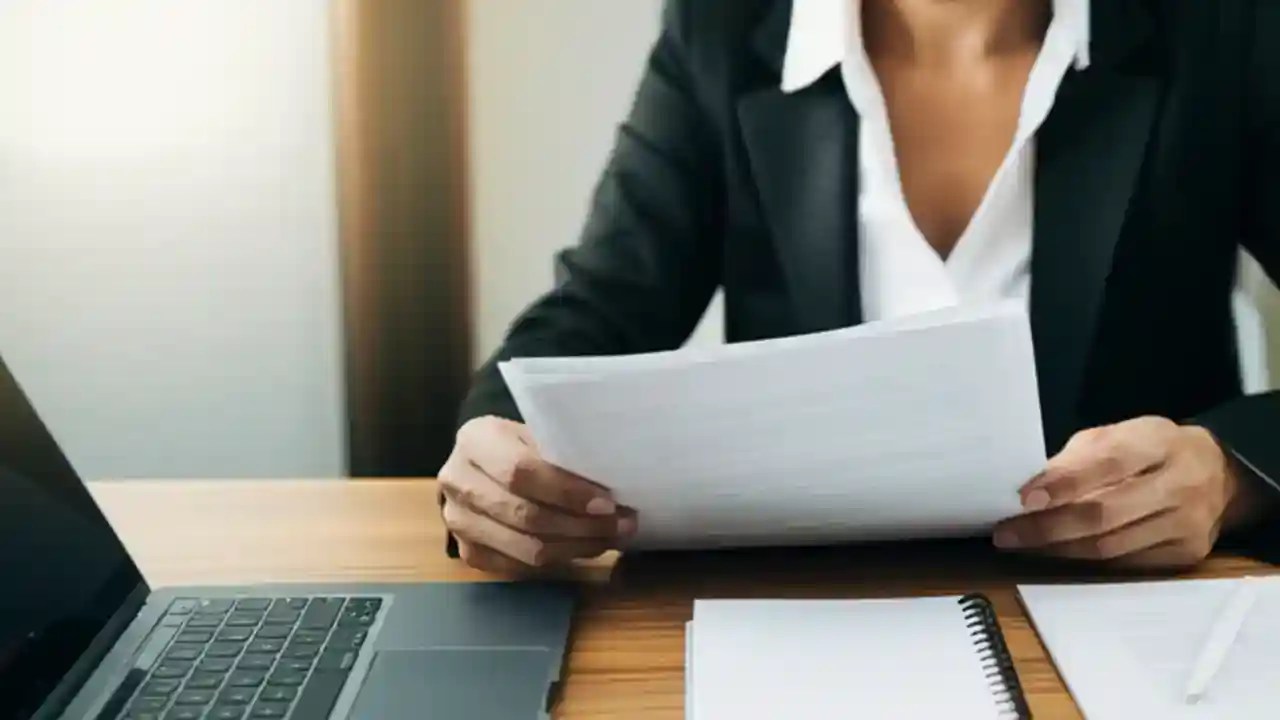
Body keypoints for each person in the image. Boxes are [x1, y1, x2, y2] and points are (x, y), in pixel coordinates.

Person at [438, 0, 1280, 574]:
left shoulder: (1225, 25)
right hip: (802, 605)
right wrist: (496, 442)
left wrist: (1233, 473)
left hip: (1127, 608)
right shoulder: (727, 27)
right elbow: (604, 301)